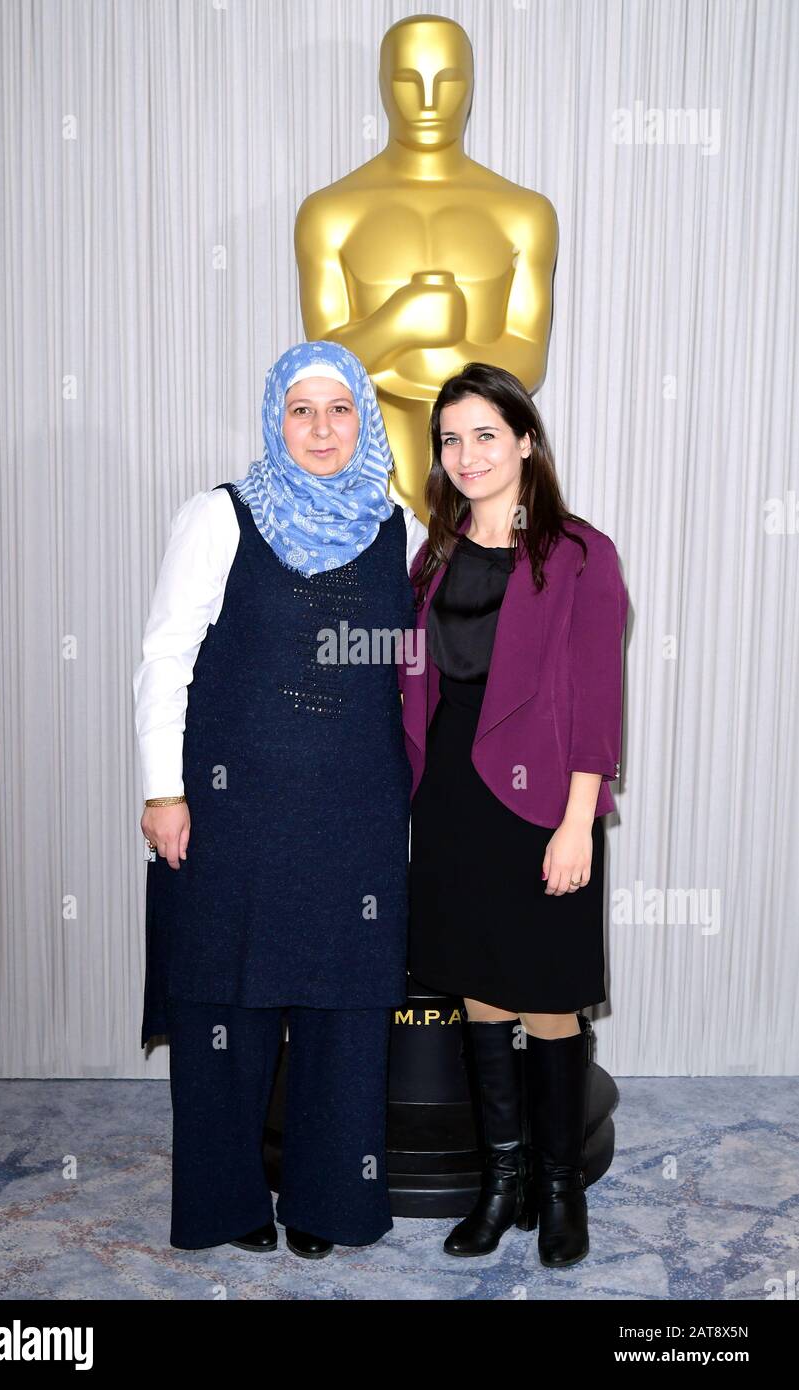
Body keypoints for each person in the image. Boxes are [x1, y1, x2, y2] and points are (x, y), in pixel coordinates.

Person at [133, 340, 427, 1257]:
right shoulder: (220, 518)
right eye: (301, 409)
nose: (321, 428)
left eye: (339, 409)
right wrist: (163, 791)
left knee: (346, 1017)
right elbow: (163, 661)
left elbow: (406, 669)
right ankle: (227, 1206)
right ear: (274, 419)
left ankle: (327, 1205)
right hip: (232, 814)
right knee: (227, 1008)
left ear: (364, 421)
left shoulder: (398, 527)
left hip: (356, 818)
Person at [401, 362, 630, 1267]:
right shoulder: (434, 554)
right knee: (480, 991)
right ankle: (501, 1186)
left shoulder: (578, 552)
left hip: (543, 804)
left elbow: (595, 701)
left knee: (547, 997)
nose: (465, 455)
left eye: (484, 435)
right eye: (450, 439)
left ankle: (557, 1186)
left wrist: (578, 821)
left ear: (525, 440)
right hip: (452, 800)